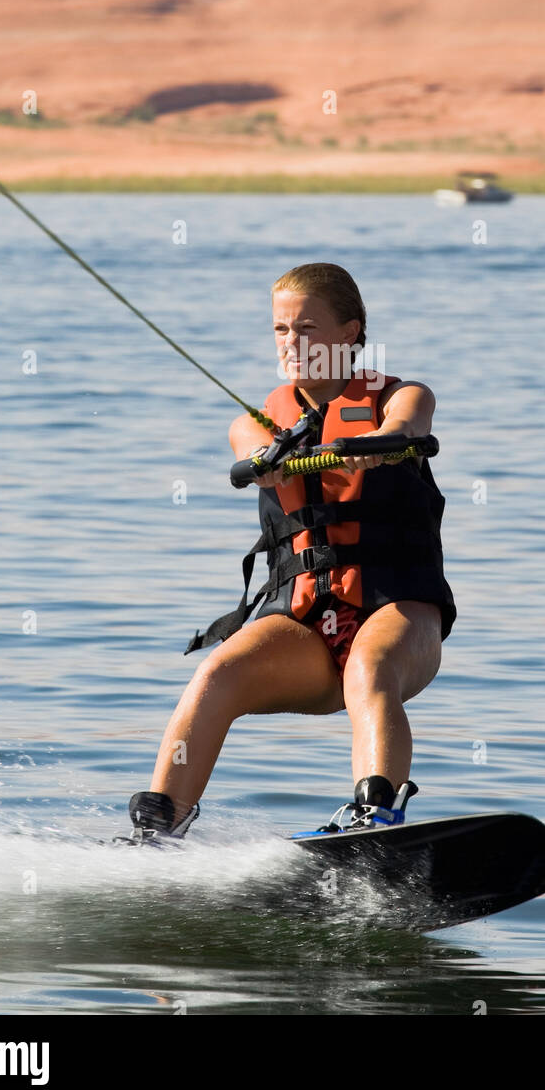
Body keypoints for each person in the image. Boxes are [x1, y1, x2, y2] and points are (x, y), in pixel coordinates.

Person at [124, 262, 456, 841]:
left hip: (397, 611)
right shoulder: (256, 420)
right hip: (303, 625)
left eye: (306, 328)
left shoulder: (403, 395)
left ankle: (374, 820)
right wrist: (267, 457)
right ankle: (156, 831)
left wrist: (372, 446)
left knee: (369, 667)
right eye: (281, 330)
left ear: (350, 332)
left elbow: (407, 423)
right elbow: (247, 450)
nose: (291, 343)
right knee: (217, 673)